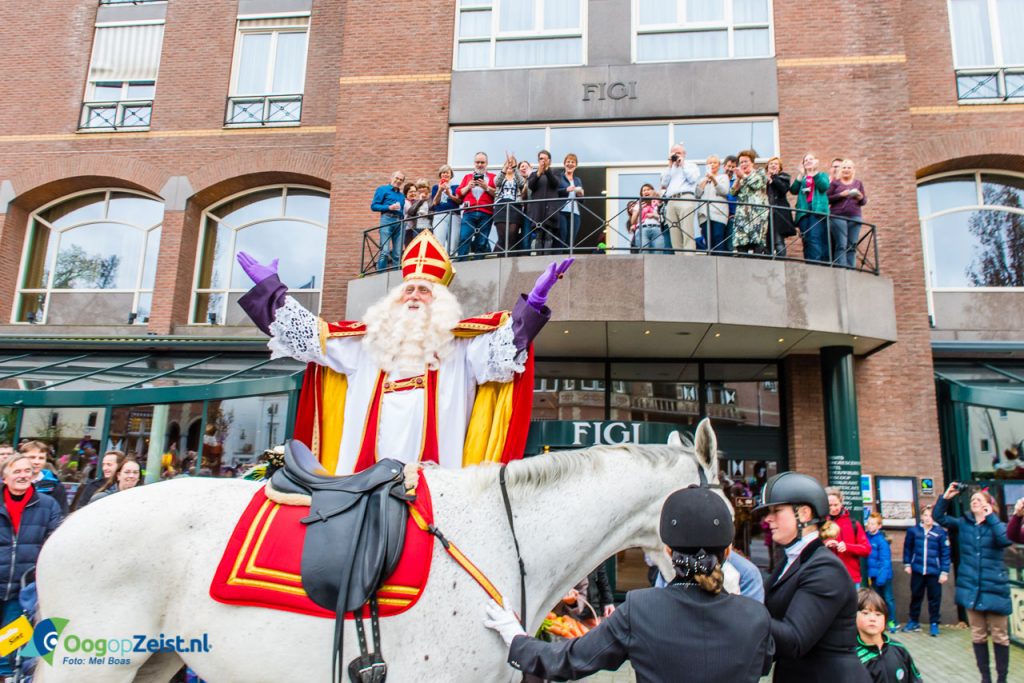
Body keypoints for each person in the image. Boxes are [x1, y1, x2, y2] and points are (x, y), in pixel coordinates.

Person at [236, 233, 569, 474]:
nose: (414, 295)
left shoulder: (463, 347)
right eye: (408, 289)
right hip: (361, 476)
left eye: (424, 290)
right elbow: (308, 337)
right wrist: (271, 292)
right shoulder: (365, 344)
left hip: (435, 477)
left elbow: (508, 346)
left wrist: (534, 304)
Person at [484, 485, 773, 682]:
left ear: (669, 552)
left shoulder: (641, 609)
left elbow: (569, 661)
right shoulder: (756, 617)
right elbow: (762, 663)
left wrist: (515, 637)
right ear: (726, 553)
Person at [757, 472, 870, 682]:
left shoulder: (825, 568)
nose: (768, 519)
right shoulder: (793, 559)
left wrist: (742, 609)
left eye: (776, 510)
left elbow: (795, 639)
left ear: (804, 514)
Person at [934, 483, 1013, 683]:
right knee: (978, 635)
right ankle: (985, 678)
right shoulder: (964, 524)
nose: (975, 501)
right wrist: (946, 497)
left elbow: (1005, 540)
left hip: (994, 587)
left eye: (979, 499)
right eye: (972, 500)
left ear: (989, 504)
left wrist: (991, 517)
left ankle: (1001, 678)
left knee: (1000, 636)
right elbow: (939, 518)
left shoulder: (998, 525)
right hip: (971, 588)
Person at [0, 454, 62, 679]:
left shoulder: (47, 505)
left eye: (27, 471)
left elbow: (54, 541)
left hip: (22, 586)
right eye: (17, 471)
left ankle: (6, 675)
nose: (23, 476)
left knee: (10, 638)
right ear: (4, 477)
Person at [901, 503, 950, 636]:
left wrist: (944, 571)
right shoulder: (914, 531)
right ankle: (913, 621)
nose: (928, 518)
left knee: (934, 598)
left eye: (931, 516)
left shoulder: (940, 533)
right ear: (922, 516)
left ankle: (934, 623)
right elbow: (908, 548)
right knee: (916, 595)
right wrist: (907, 564)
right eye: (926, 515)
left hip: (934, 571)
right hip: (917, 569)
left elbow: (945, 553)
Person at [855, 588, 922, 683]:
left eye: (878, 614)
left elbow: (915, 679)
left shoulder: (899, 649)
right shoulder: (853, 657)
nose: (873, 619)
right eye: (866, 613)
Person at [789, 152, 831, 263]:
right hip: (803, 212)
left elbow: (824, 186)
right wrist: (800, 175)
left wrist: (814, 173)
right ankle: (809, 264)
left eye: (810, 159)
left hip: (817, 211)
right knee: (806, 240)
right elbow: (793, 190)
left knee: (814, 237)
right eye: (805, 160)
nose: (807, 161)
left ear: (816, 161)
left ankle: (816, 264)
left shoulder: (822, 175)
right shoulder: (802, 178)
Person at [824, 486, 871, 586]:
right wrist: (824, 545)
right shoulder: (820, 524)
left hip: (851, 578)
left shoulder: (853, 524)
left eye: (836, 505)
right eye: (829, 505)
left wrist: (847, 547)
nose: (833, 508)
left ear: (841, 503)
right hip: (827, 577)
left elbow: (866, 549)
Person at [659, 142, 701, 252]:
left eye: (678, 153)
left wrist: (682, 164)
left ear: (684, 154)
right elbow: (664, 183)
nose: (675, 155)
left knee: (687, 231)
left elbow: (692, 179)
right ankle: (679, 260)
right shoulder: (670, 169)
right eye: (673, 153)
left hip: (685, 198)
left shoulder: (691, 165)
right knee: (674, 234)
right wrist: (670, 165)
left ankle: (689, 258)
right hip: (671, 201)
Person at [826, 159, 868, 268]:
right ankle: (842, 269)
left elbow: (863, 202)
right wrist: (841, 195)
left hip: (855, 216)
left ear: (853, 170)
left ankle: (850, 270)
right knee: (842, 244)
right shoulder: (835, 183)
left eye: (849, 167)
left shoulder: (858, 183)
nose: (846, 170)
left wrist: (860, 197)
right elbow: (827, 198)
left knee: (852, 245)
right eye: (844, 167)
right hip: (837, 216)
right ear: (841, 169)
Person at [455, 152, 497, 258]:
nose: (480, 164)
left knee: (482, 242)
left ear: (486, 163)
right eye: (477, 162)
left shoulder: (493, 177)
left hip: (486, 213)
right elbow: (459, 193)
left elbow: (498, 193)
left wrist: (486, 187)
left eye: (482, 162)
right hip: (469, 212)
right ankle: (462, 263)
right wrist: (468, 186)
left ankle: (479, 265)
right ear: (474, 163)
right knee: (464, 238)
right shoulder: (467, 177)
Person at [527, 150, 566, 253]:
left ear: (549, 160)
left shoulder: (555, 172)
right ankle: (538, 257)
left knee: (549, 235)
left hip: (550, 210)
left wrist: (547, 170)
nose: (542, 161)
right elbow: (531, 186)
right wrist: (538, 173)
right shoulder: (534, 174)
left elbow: (555, 183)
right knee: (539, 235)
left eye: (544, 159)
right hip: (538, 210)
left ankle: (546, 258)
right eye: (540, 159)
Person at [731, 150, 769, 255]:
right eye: (741, 162)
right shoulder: (741, 177)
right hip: (742, 217)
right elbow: (732, 192)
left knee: (757, 244)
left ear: (752, 162)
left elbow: (756, 184)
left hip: (757, 216)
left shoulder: (760, 173)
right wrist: (738, 179)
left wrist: (743, 176)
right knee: (741, 246)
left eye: (745, 161)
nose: (743, 164)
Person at [863, 512, 897, 632]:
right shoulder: (866, 537)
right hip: (872, 575)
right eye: (869, 523)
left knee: (888, 598)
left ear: (879, 526)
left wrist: (881, 578)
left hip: (883, 576)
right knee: (876, 600)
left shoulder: (881, 541)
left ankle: (892, 621)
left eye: (873, 524)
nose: (870, 526)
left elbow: (885, 561)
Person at [18, 441, 69, 516]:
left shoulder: (56, 486)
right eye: (32, 457)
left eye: (41, 458)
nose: (36, 462)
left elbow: (61, 515)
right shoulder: (10, 482)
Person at [371, 170, 407, 270]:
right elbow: (374, 206)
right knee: (385, 251)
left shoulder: (401, 196)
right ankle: (380, 274)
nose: (398, 181)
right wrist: (389, 207)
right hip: (387, 219)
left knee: (398, 253)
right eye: (397, 178)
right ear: (391, 178)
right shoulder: (382, 189)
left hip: (400, 222)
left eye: (401, 180)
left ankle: (396, 274)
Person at [695, 154, 731, 253]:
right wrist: (706, 180)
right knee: (708, 240)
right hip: (704, 215)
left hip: (719, 213)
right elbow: (697, 194)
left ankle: (720, 263)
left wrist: (714, 180)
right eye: (710, 163)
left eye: (715, 162)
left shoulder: (723, 177)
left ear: (719, 165)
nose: (712, 164)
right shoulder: (702, 180)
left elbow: (724, 191)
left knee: (718, 237)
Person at [493, 153, 526, 253]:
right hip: (500, 206)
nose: (510, 165)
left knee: (512, 234)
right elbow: (496, 182)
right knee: (502, 236)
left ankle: (511, 261)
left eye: (512, 163)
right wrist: (505, 168)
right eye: (508, 163)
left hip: (515, 206)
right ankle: (500, 259)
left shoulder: (518, 177)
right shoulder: (501, 176)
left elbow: (521, 183)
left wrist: (515, 168)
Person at [765, 157, 795, 256]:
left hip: (778, 213)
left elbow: (783, 189)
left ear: (780, 168)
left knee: (778, 241)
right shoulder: (763, 179)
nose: (773, 165)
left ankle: (781, 261)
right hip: (765, 214)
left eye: (776, 164)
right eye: (771, 164)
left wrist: (774, 178)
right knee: (766, 243)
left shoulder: (784, 177)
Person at [628, 183, 668, 253]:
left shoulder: (658, 202)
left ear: (652, 191)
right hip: (642, 229)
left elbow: (663, 218)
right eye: (644, 190)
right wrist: (638, 210)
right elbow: (633, 221)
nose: (646, 191)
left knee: (658, 253)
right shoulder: (638, 204)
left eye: (648, 189)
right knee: (644, 253)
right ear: (641, 194)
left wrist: (654, 215)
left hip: (657, 229)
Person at [430, 164, 461, 254]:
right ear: (440, 175)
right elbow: (435, 203)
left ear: (451, 175)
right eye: (443, 173)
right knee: (439, 241)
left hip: (454, 215)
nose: (445, 174)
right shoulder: (435, 187)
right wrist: (440, 190)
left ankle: (452, 262)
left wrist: (449, 194)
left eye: (447, 173)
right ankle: (441, 263)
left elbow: (459, 201)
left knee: (454, 241)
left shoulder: (456, 187)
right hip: (440, 215)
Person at [558, 153, 584, 252]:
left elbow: (581, 200)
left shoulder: (578, 180)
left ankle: (568, 261)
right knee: (562, 235)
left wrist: (581, 195)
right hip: (562, 210)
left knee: (571, 239)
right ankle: (559, 260)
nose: (570, 164)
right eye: (568, 162)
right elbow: (555, 192)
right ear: (564, 164)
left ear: (576, 165)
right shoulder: (559, 177)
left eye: (572, 162)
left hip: (575, 212)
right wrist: (566, 189)